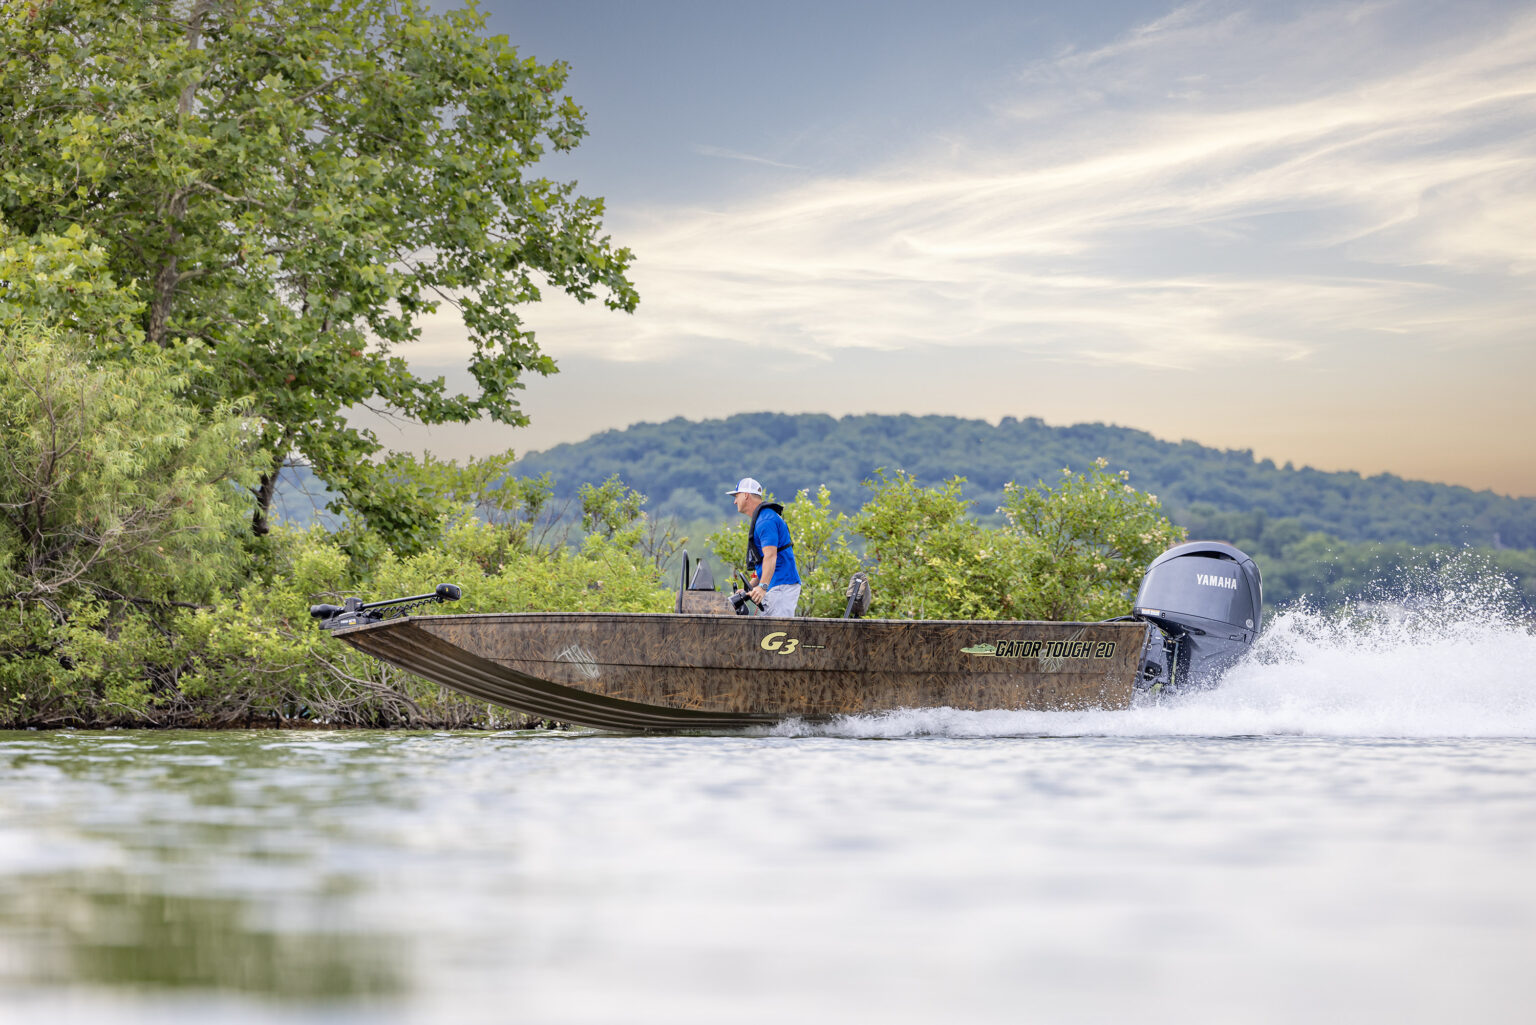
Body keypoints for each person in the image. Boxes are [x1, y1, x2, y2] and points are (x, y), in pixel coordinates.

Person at [726, 477, 800, 617]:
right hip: (775, 587)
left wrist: (762, 587)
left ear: (746, 495)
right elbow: (763, 564)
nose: (735, 501)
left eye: (736, 496)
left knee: (776, 635)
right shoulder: (763, 518)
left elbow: (771, 556)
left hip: (781, 586)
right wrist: (749, 589)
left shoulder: (766, 520)